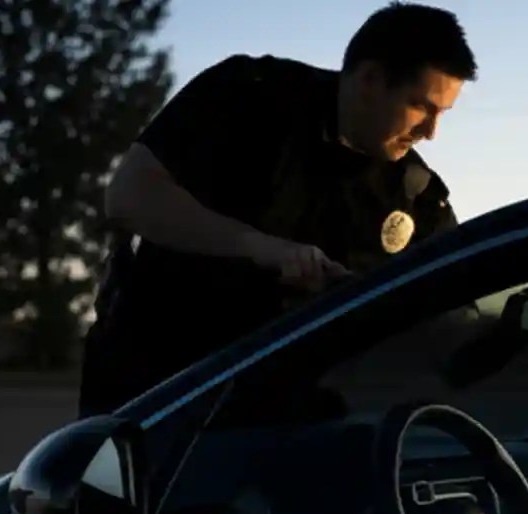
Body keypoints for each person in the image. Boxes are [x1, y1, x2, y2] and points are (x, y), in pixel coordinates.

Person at [77, 1, 478, 419]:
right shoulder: (249, 95)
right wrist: (260, 247)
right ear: (370, 79)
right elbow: (129, 195)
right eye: (421, 107)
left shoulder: (415, 194)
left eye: (442, 114)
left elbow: (454, 302)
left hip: (285, 418)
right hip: (154, 390)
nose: (431, 132)